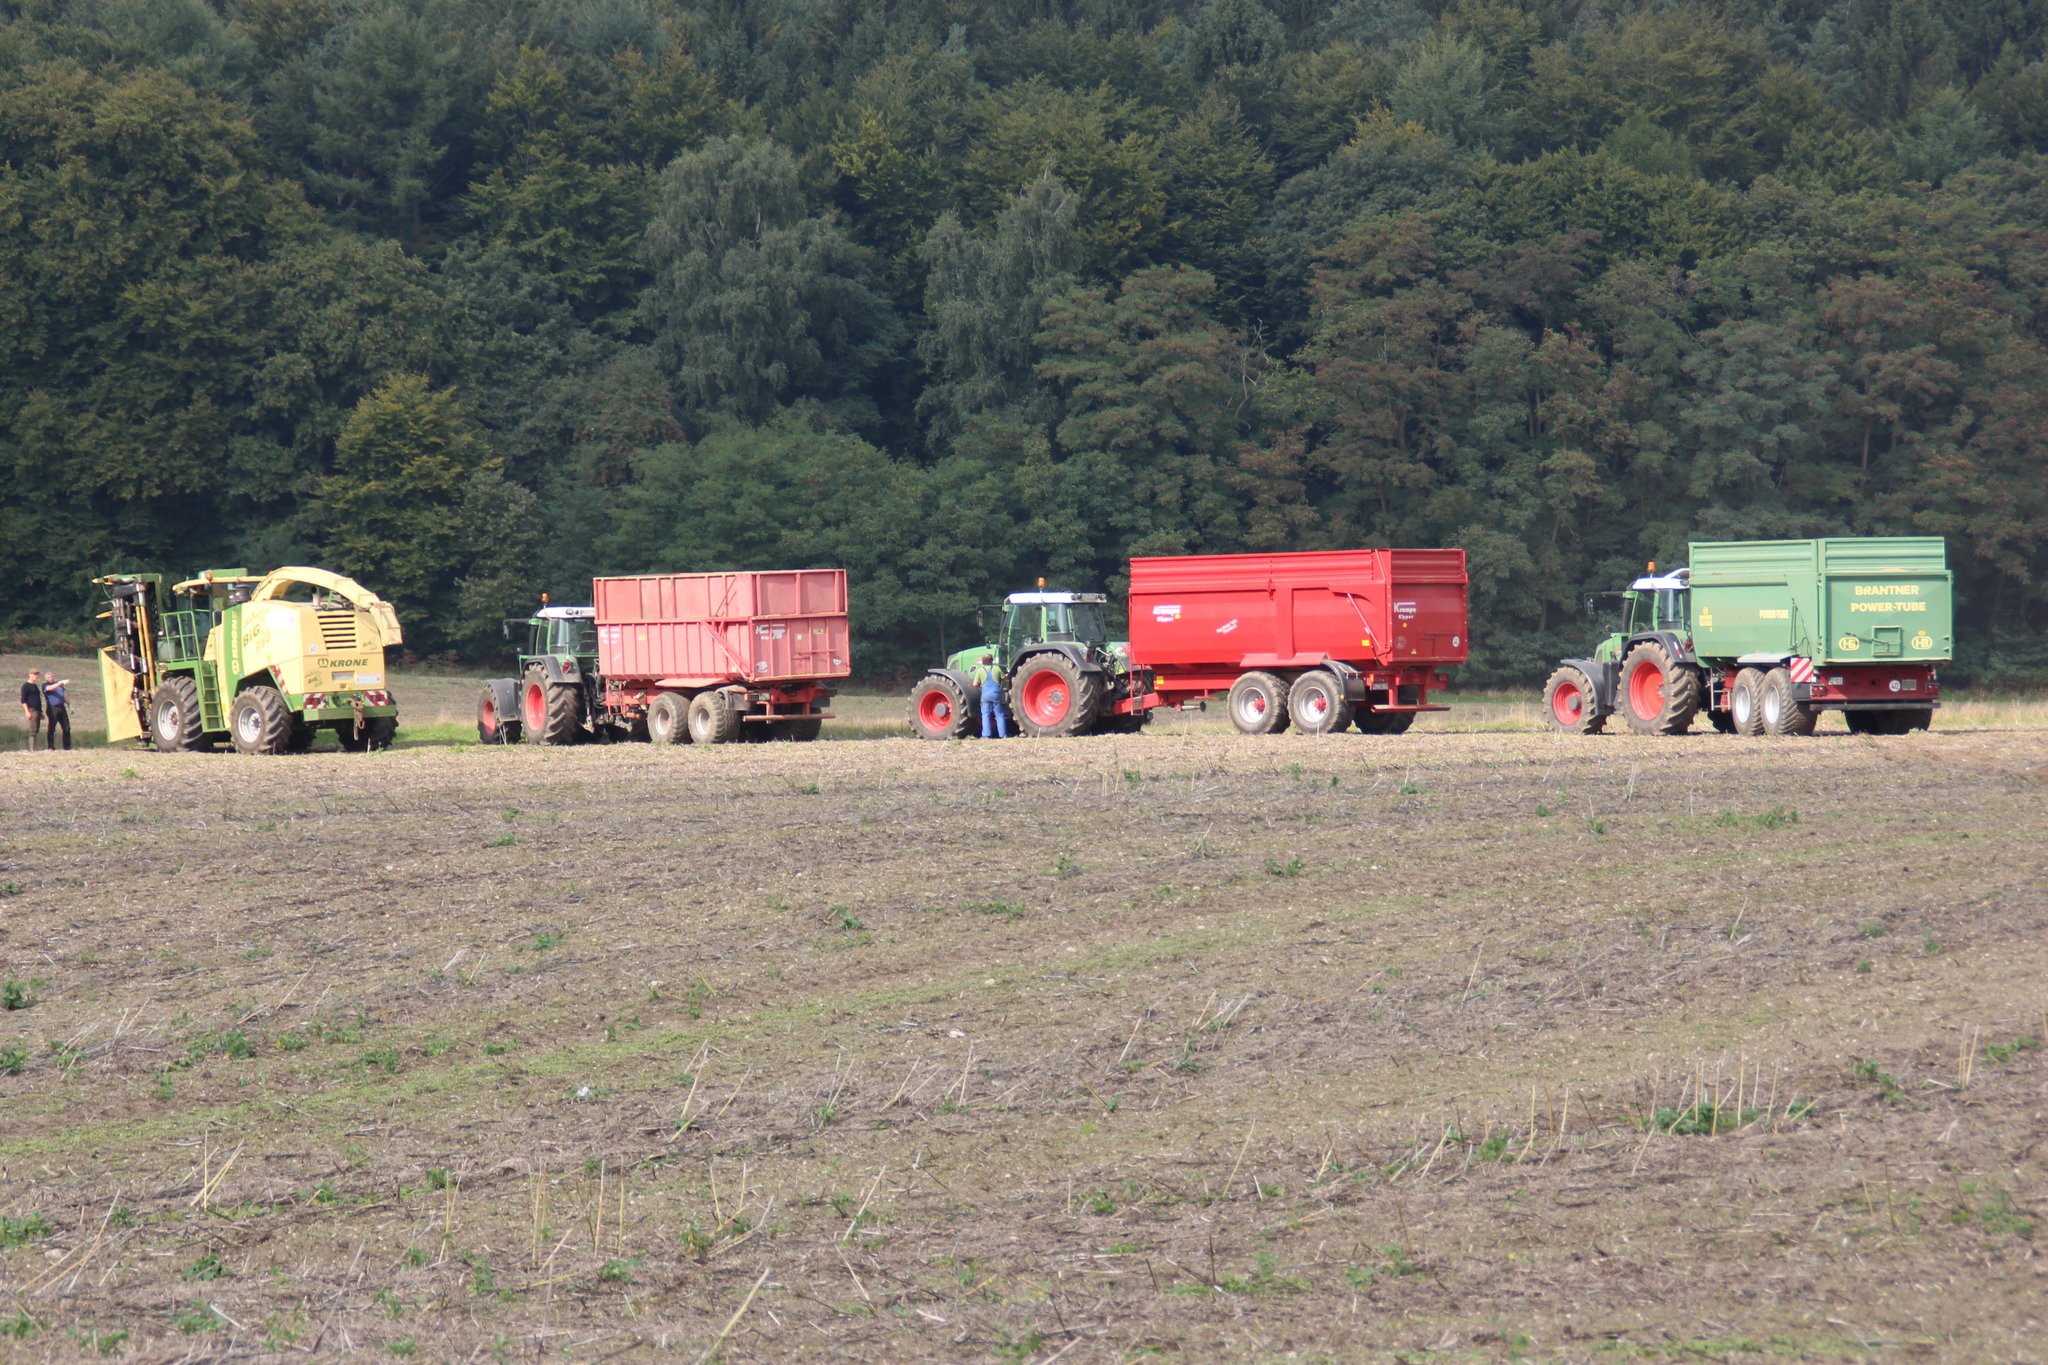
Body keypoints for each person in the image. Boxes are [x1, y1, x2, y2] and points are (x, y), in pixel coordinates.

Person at [971, 653, 1008, 739]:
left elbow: (975, 684)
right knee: (999, 714)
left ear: (983, 662)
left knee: (985, 715)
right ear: (991, 661)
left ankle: (986, 735)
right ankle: (1003, 735)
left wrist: (980, 686)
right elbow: (1005, 678)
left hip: (985, 695)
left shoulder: (980, 670)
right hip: (996, 695)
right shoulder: (996, 668)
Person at [41, 673, 72, 751]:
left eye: (51, 676)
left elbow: (64, 695)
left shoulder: (59, 685)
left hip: (61, 707)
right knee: (52, 727)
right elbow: (50, 688)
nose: (50, 678)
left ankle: (67, 746)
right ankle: (51, 746)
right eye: (48, 677)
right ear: (46, 678)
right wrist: (60, 683)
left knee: (66, 727)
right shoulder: (45, 685)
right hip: (52, 708)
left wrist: (70, 705)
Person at [19, 669, 42, 750]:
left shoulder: (35, 686)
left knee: (37, 729)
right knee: (33, 729)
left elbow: (37, 699)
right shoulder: (25, 686)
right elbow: (23, 700)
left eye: (37, 674)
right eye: (35, 674)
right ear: (30, 675)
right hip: (32, 710)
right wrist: (27, 711)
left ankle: (35, 747)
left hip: (37, 710)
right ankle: (32, 749)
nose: (36, 676)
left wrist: (41, 711)